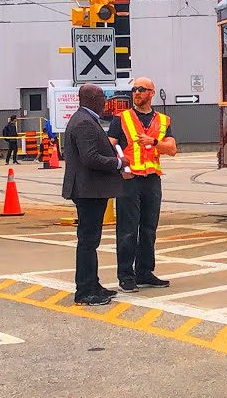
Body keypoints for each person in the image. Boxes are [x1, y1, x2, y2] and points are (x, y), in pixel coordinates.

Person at [108, 77, 177, 292]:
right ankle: (126, 275)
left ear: (151, 93)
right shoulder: (121, 119)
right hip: (129, 179)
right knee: (127, 229)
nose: (136, 93)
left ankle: (145, 272)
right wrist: (120, 167)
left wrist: (154, 142)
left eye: (141, 89)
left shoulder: (163, 120)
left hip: (152, 179)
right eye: (134, 89)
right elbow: (110, 147)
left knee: (149, 228)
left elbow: (172, 149)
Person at [62, 83, 127, 306]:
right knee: (88, 242)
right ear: (91, 99)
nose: (105, 101)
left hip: (90, 189)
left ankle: (93, 283)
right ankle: (84, 291)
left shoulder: (84, 119)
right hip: (88, 190)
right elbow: (90, 158)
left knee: (91, 241)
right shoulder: (84, 123)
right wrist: (118, 162)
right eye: (101, 97)